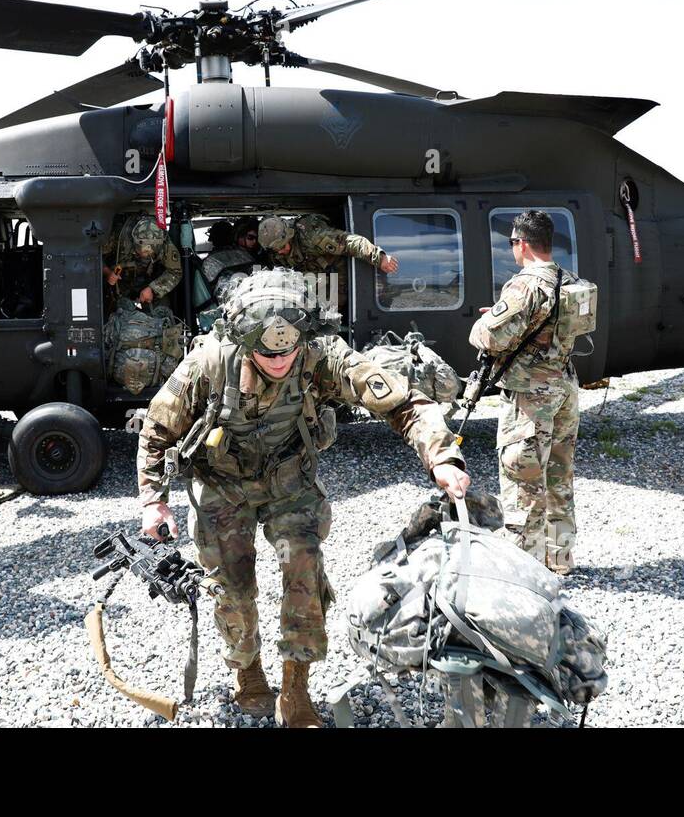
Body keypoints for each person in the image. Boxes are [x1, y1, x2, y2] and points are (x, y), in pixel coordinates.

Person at [137, 269, 470, 727]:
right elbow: (156, 430)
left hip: (290, 483)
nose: (279, 361)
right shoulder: (209, 362)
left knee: (304, 573)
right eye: (267, 353)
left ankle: (296, 685)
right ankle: (247, 670)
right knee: (231, 587)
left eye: (288, 351)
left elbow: (403, 401)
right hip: (223, 487)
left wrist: (442, 457)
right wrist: (154, 500)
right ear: (243, 340)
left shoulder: (321, 355)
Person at [468, 210, 581, 575]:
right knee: (559, 478)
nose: (513, 250)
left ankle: (523, 574)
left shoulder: (525, 284)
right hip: (564, 386)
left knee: (523, 483)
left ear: (523, 244)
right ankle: (559, 561)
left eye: (513, 244)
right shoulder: (569, 279)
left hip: (531, 397)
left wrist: (488, 320)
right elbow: (550, 331)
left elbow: (486, 337)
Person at [257, 214, 399, 275]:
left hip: (335, 272)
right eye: (276, 250)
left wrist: (379, 258)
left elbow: (350, 242)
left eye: (282, 247)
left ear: (290, 237)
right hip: (310, 279)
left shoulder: (312, 237)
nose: (280, 252)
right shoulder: (274, 250)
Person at [104, 215, 182, 308]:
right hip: (118, 280)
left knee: (162, 306)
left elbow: (175, 272)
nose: (143, 253)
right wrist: (107, 272)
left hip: (145, 281)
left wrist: (153, 289)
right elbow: (94, 256)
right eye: (140, 249)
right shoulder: (119, 235)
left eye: (147, 252)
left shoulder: (164, 245)